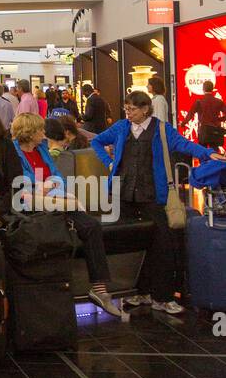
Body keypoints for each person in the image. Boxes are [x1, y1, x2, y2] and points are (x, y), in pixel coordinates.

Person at [91, 90, 226, 315]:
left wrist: (207, 154)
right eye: (126, 108)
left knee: (161, 243)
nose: (128, 113)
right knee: (132, 243)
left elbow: (184, 144)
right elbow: (97, 141)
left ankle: (161, 296)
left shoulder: (161, 129)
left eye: (132, 109)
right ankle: (138, 291)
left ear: (145, 109)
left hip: (153, 194)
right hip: (123, 194)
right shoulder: (122, 128)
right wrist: (109, 162)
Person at [11, 112, 121, 316]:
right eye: (40, 130)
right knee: (73, 223)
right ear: (30, 132)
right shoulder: (14, 152)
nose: (44, 134)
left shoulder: (42, 149)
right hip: (33, 205)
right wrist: (44, 186)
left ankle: (99, 288)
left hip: (56, 199)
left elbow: (57, 176)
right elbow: (23, 183)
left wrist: (48, 185)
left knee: (92, 226)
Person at [186, 80, 226, 148]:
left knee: (203, 152)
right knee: (214, 152)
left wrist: (183, 123)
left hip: (203, 130)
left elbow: (190, 114)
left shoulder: (199, 102)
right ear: (212, 89)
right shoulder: (219, 102)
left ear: (203, 89)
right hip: (215, 131)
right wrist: (219, 119)